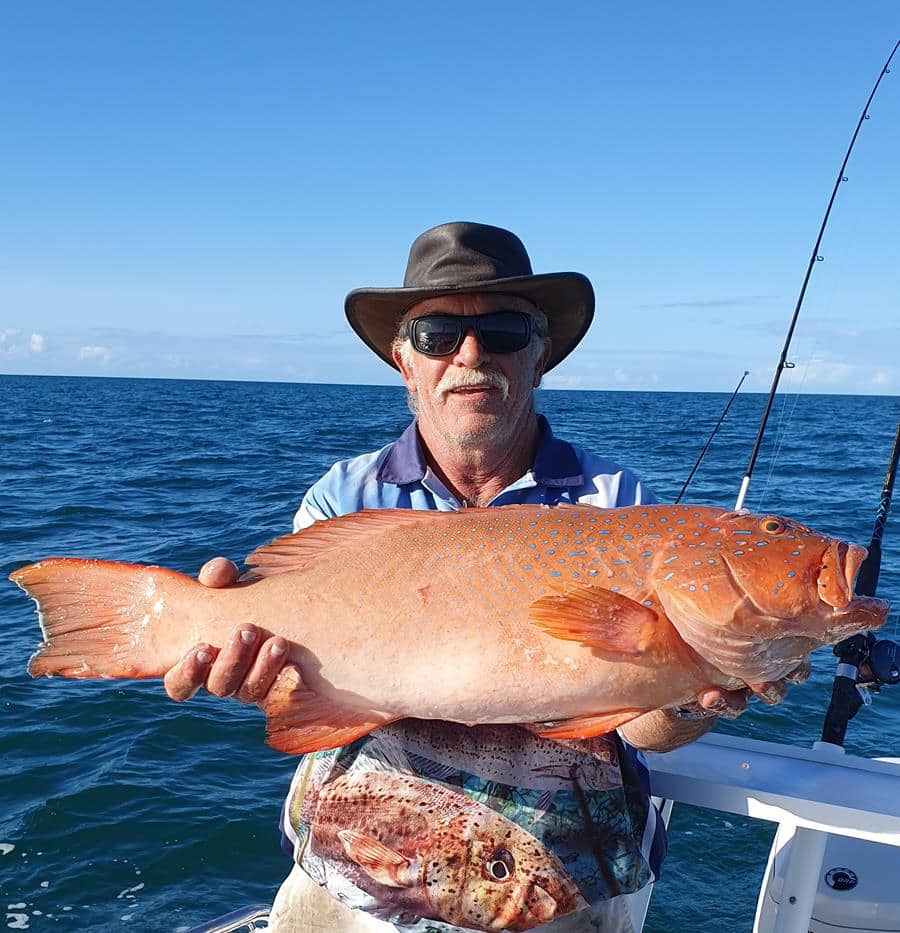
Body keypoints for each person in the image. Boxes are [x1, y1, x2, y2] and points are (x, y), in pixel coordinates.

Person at [163, 222, 793, 932]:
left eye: (503, 331)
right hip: (356, 885)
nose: (470, 354)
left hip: (558, 892)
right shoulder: (341, 499)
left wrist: (690, 693)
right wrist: (248, 666)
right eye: (436, 333)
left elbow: (646, 729)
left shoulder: (620, 506)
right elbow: (300, 683)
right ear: (404, 361)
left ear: (540, 354)